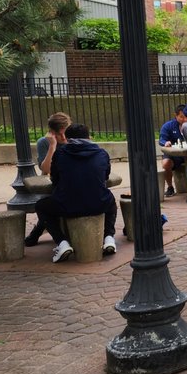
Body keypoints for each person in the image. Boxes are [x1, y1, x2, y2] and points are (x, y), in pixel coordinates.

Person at [33, 123, 118, 263]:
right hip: (98, 204)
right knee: (110, 199)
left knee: (41, 206)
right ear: (89, 137)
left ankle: (62, 243)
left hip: (66, 206)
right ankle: (109, 238)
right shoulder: (102, 153)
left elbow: (55, 180)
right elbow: (105, 177)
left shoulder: (60, 154)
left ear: (67, 138)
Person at [24, 111, 71, 246]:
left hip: (69, 182)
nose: (63, 137)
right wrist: (52, 146)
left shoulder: (73, 138)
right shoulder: (44, 143)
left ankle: (36, 233)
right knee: (45, 204)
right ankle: (41, 234)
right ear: (51, 132)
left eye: (65, 132)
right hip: (53, 181)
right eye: (59, 134)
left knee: (46, 208)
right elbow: (46, 169)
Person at [158, 104, 187, 196]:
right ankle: (170, 187)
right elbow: (161, 139)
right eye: (181, 117)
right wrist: (166, 143)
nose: (184, 119)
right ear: (176, 115)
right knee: (166, 163)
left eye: (186, 117)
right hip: (173, 154)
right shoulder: (168, 126)